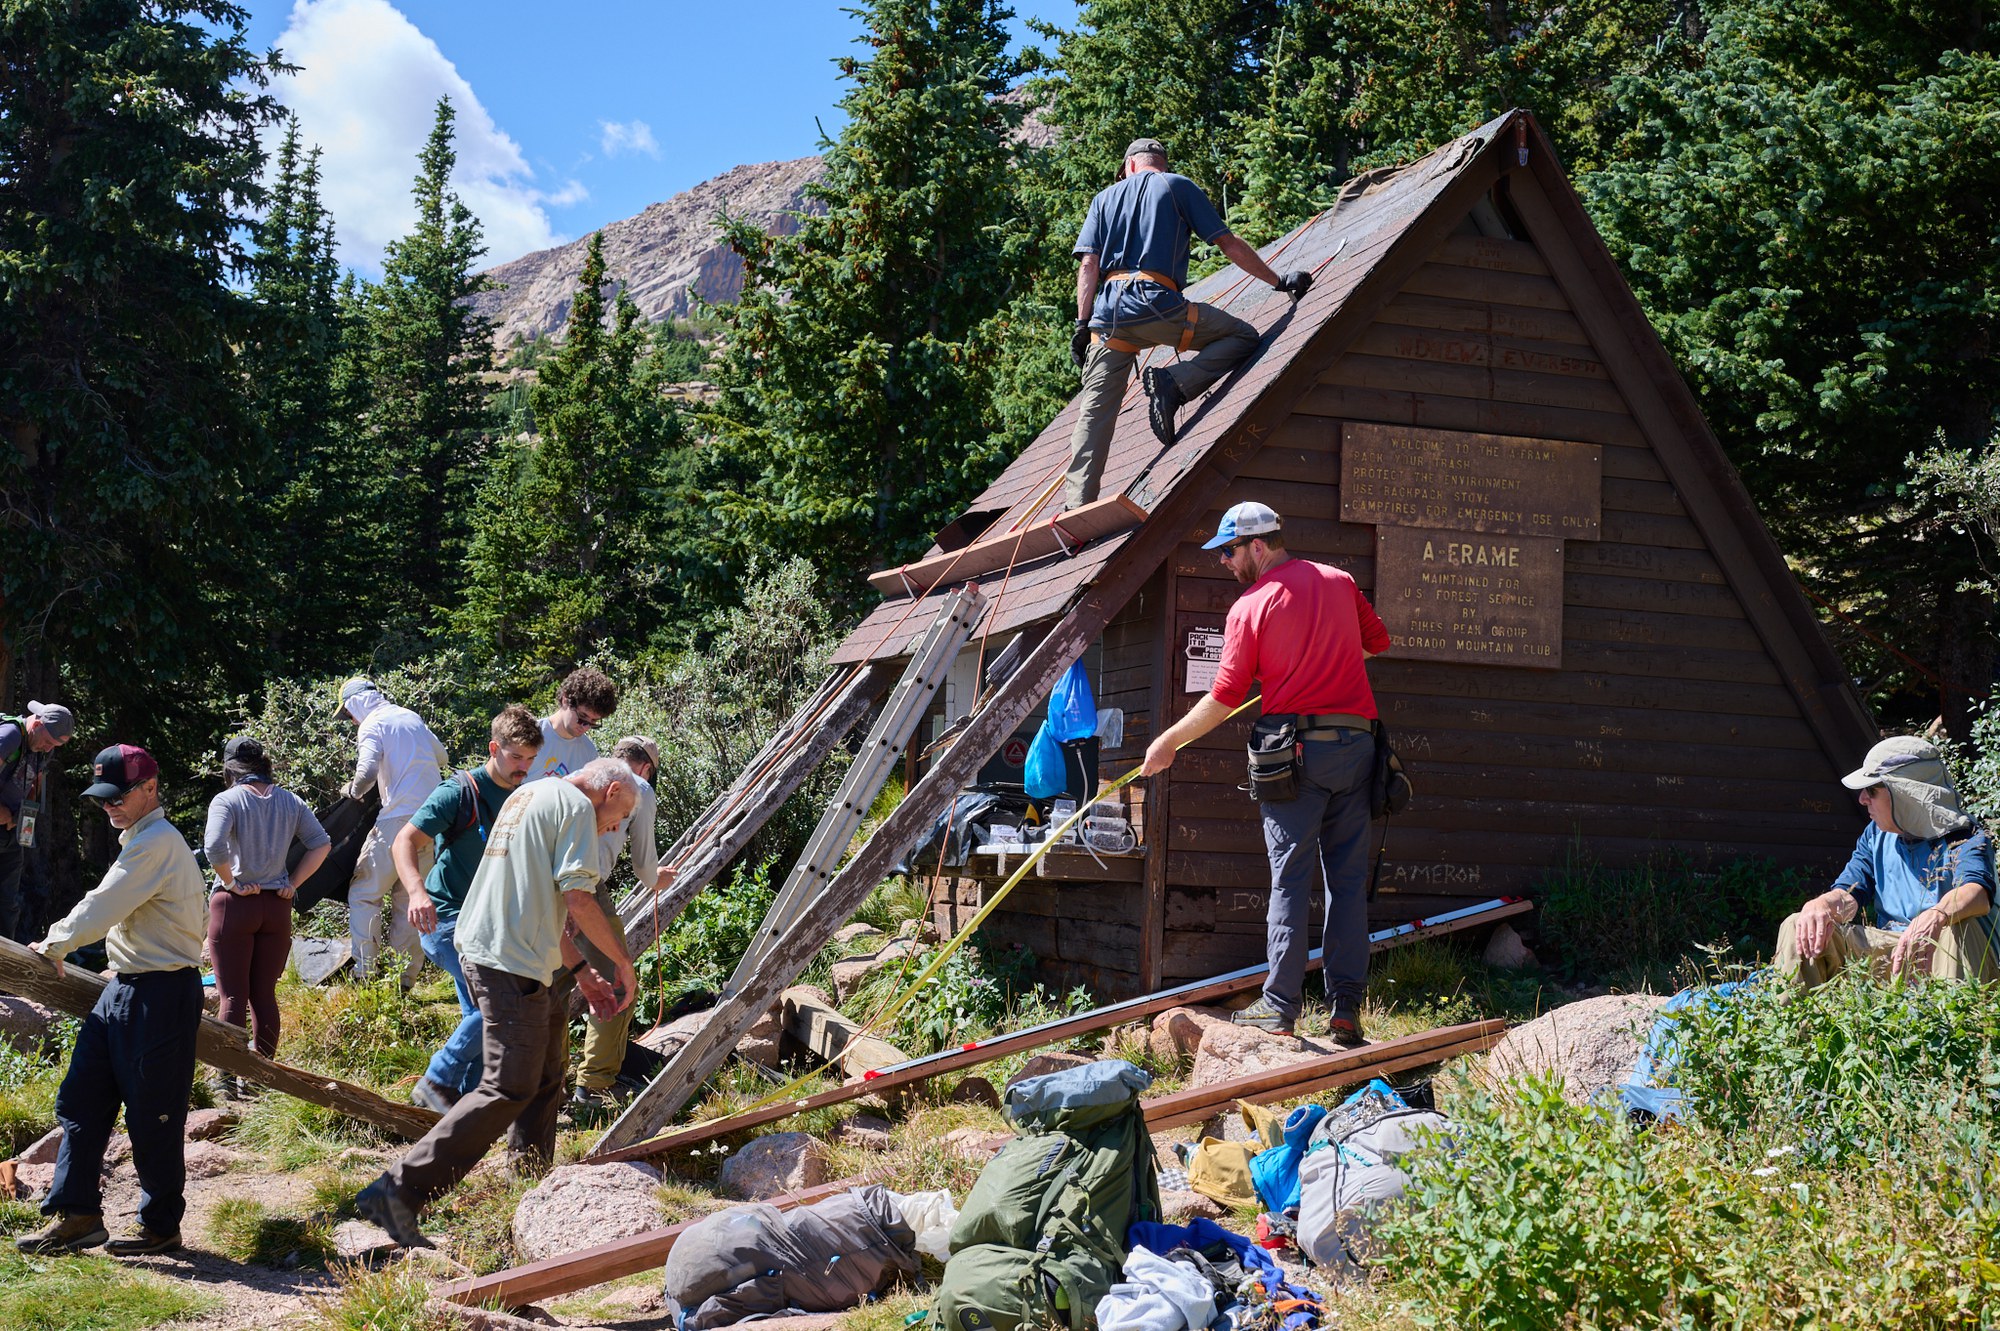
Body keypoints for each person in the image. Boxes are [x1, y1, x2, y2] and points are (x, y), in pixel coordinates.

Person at [354, 758, 640, 1247]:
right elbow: (578, 900)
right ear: (610, 789)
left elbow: (535, 898)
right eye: (620, 815)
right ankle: (396, 1192)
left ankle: (529, 1186)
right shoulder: (573, 806)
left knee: (548, 1074)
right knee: (507, 1086)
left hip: (519, 955)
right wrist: (622, 962)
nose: (615, 826)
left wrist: (579, 969)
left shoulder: (529, 796)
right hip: (509, 963)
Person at [1140, 502, 1390, 1043]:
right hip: (1360, 746)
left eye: (1229, 551)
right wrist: (1330, 664)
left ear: (1259, 546)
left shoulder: (1250, 606)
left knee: (1290, 879)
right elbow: (1378, 643)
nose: (1224, 562)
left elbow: (1225, 696)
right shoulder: (1341, 582)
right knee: (1347, 883)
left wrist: (1168, 743)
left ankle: (1279, 1006)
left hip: (1298, 755)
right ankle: (1345, 1011)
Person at [17, 746, 206, 1257]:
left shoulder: (156, 843)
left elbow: (104, 904)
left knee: (154, 1112)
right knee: (80, 1100)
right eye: (103, 800)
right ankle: (77, 1216)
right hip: (127, 986)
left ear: (150, 789)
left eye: (118, 797)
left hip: (160, 993)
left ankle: (161, 1226)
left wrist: (55, 942)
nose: (110, 808)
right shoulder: (143, 839)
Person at [1064, 137, 1313, 511]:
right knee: (1243, 336)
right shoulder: (1176, 185)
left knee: (1094, 412)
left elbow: (1088, 266)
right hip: (1158, 307)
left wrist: (1082, 325)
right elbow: (1227, 244)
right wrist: (1279, 282)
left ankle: (1075, 507)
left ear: (1130, 165)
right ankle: (1175, 383)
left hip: (1108, 320)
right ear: (1160, 163)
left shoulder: (1104, 199)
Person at [397, 705, 544, 1114]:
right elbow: (403, 842)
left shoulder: (525, 796)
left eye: (531, 759)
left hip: (491, 923)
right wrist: (416, 892)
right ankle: (438, 1079)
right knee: (500, 1002)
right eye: (516, 757)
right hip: (446, 918)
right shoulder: (458, 791)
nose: (523, 767)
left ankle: (456, 1106)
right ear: (494, 748)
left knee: (477, 1014)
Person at [1774, 736, 1997, 987]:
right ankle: (1791, 1023)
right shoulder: (1875, 835)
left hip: (1951, 957)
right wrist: (1822, 905)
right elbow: (1849, 894)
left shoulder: (1964, 836)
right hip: (1893, 953)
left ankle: (1952, 1022)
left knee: (1958, 928)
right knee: (1799, 924)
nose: (1862, 799)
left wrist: (1938, 915)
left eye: (1872, 790)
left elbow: (1977, 892)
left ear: (1906, 794)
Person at [201, 737, 330, 1077]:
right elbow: (321, 843)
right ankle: (259, 1079)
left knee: (232, 997)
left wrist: (230, 883)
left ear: (230, 767)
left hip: (235, 905)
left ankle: (226, 1079)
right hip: (276, 906)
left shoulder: (227, 800)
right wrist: (293, 883)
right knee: (264, 995)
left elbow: (214, 847)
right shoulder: (291, 801)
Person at [569, 734, 676, 1120]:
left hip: (560, 884)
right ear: (646, 767)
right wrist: (659, 879)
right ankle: (594, 1085)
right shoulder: (640, 789)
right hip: (585, 889)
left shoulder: (586, 775)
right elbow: (645, 867)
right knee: (617, 979)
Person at [334, 677, 448, 987]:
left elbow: (368, 771)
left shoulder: (371, 724)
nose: (352, 720)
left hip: (397, 820)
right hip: (432, 821)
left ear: (357, 703)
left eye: (349, 713)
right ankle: (404, 980)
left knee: (365, 893)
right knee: (409, 897)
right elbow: (442, 757)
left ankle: (366, 974)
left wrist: (353, 791)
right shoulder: (410, 716)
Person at [0, 700, 76, 942]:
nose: (47, 748)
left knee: (7, 903)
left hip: (10, 833)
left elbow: (35, 781)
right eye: (47, 741)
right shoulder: (11, 735)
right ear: (38, 722)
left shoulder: (42, 748)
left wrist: (24, 815)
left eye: (53, 745)